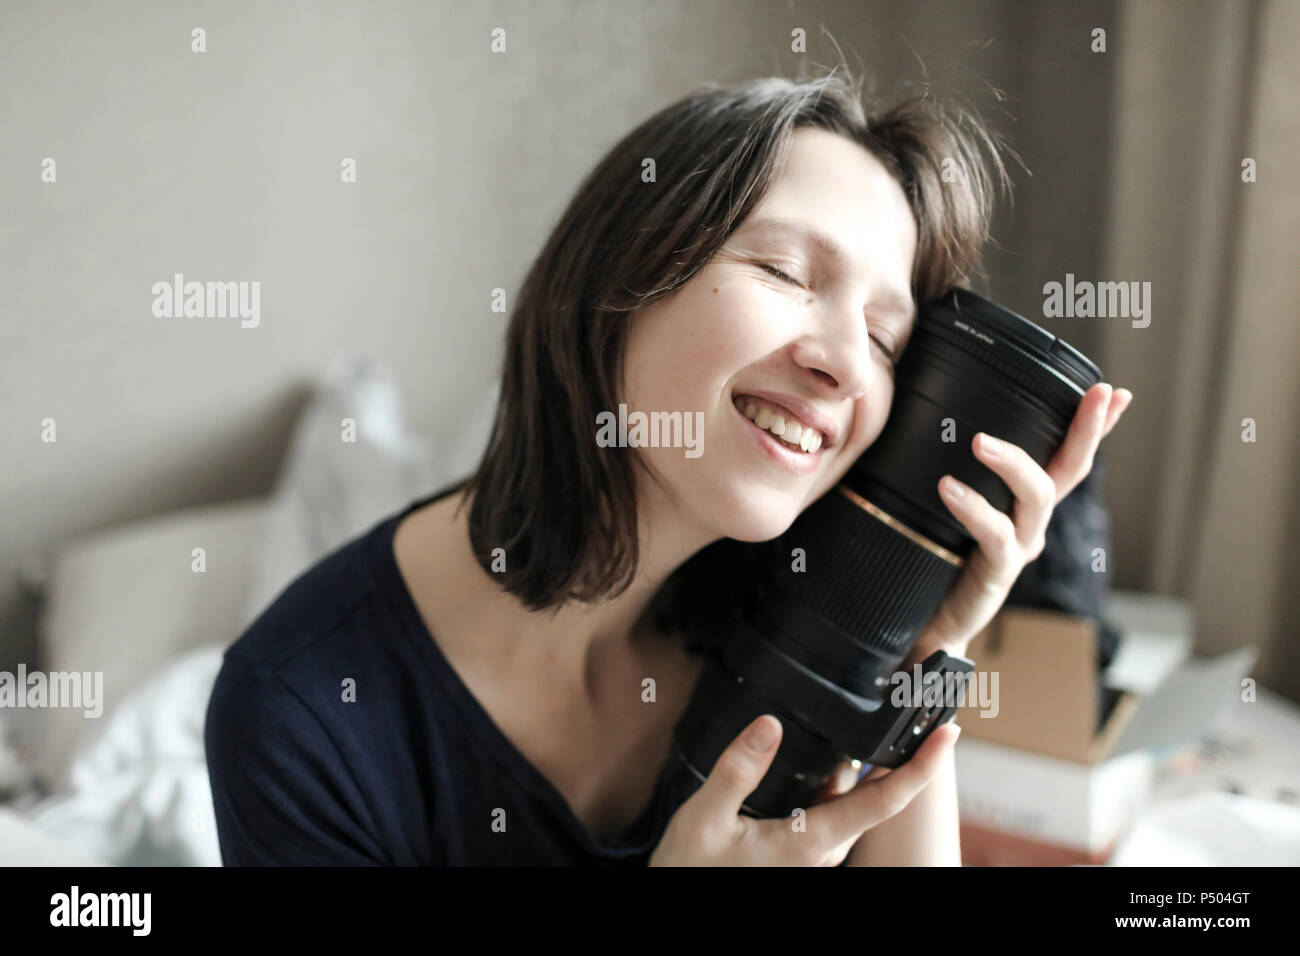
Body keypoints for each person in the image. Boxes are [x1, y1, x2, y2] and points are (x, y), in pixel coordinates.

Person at [205, 68, 1132, 866]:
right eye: (786, 273)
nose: (847, 366)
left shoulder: (789, 591)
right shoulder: (302, 712)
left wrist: (921, 647)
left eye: (885, 339)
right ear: (619, 275)